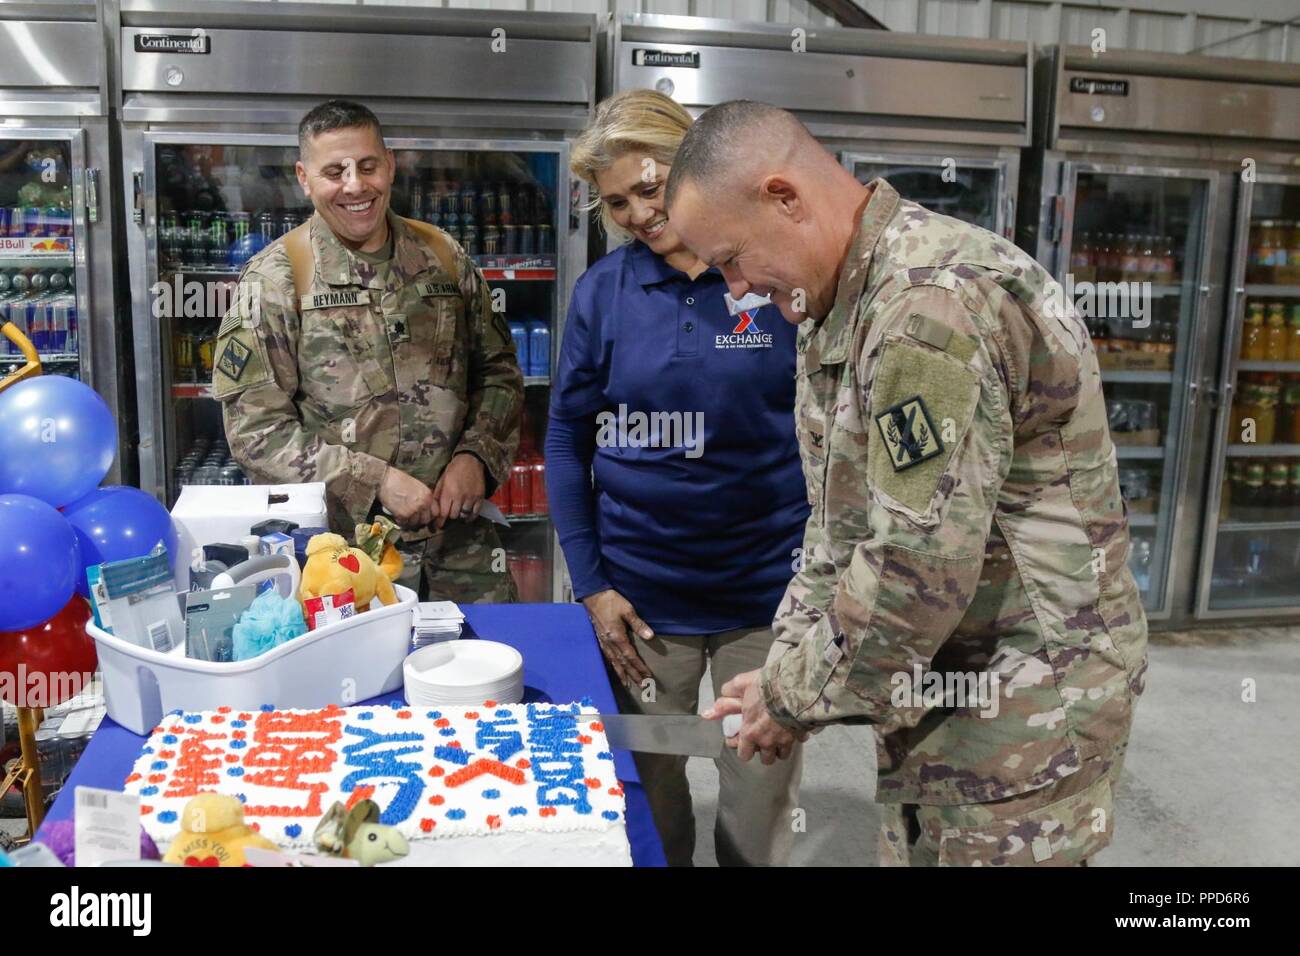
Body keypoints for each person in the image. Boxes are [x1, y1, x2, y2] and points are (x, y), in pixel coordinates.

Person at [666, 100, 1149, 867]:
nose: (736, 290)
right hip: (941, 691)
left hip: (1021, 713)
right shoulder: (837, 307)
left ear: (784, 197)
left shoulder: (931, 308)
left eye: (730, 257)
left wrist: (790, 697)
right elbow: (837, 530)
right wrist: (789, 662)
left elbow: (912, 569)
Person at [550, 90, 808, 866]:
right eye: (615, 201)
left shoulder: (772, 280)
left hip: (765, 598)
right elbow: (568, 437)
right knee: (649, 793)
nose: (636, 213)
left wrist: (815, 595)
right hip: (642, 606)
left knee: (755, 809)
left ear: (694, 164)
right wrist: (592, 585)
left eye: (650, 188)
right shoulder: (605, 293)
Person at [213, 99, 522, 602]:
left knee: (480, 677)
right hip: (345, 564)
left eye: (368, 166)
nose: (355, 185)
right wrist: (375, 479)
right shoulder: (276, 281)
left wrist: (475, 457)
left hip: (462, 553)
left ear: (391, 165)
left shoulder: (442, 256)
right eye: (334, 171)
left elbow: (499, 372)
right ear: (304, 178)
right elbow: (257, 434)